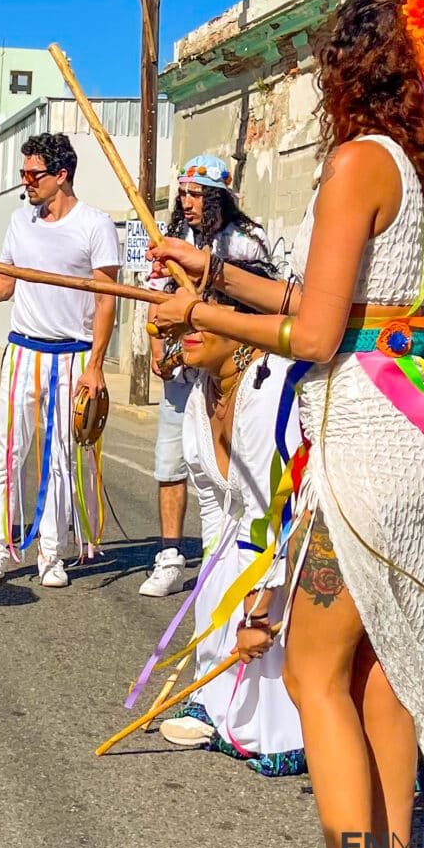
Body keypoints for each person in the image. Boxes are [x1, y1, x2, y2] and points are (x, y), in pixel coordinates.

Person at [150, 0, 424, 848]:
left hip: (363, 447)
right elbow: (338, 301)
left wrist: (198, 314)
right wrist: (214, 272)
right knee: (378, 674)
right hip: (413, 451)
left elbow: (313, 334)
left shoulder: (357, 161)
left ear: (350, 68)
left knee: (312, 674)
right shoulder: (423, 173)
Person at [0, 133, 119, 589]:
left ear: (62, 175)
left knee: (62, 459)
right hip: (24, 352)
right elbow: (3, 284)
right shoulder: (20, 221)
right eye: (23, 174)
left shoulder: (95, 225)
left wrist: (96, 365)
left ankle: (51, 553)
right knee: (8, 453)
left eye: (34, 174)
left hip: (72, 356)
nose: (26, 182)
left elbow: (107, 299)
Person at [138, 286, 306, 775]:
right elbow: (214, 502)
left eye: (203, 315)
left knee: (258, 591)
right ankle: (215, 701)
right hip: (252, 532)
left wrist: (256, 611)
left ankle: (285, 726)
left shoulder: (270, 389)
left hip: (296, 538)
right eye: (184, 319)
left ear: (244, 328)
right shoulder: (202, 391)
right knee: (218, 574)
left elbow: (271, 510)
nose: (186, 329)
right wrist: (218, 586)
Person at [140, 155, 280, 599]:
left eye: (196, 194)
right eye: (183, 193)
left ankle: (239, 561)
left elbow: (261, 305)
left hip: (229, 374)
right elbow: (156, 299)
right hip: (183, 370)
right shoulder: (173, 239)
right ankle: (170, 556)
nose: (186, 201)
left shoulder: (247, 241)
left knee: (237, 469)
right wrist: (159, 349)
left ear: (218, 197)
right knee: (172, 464)